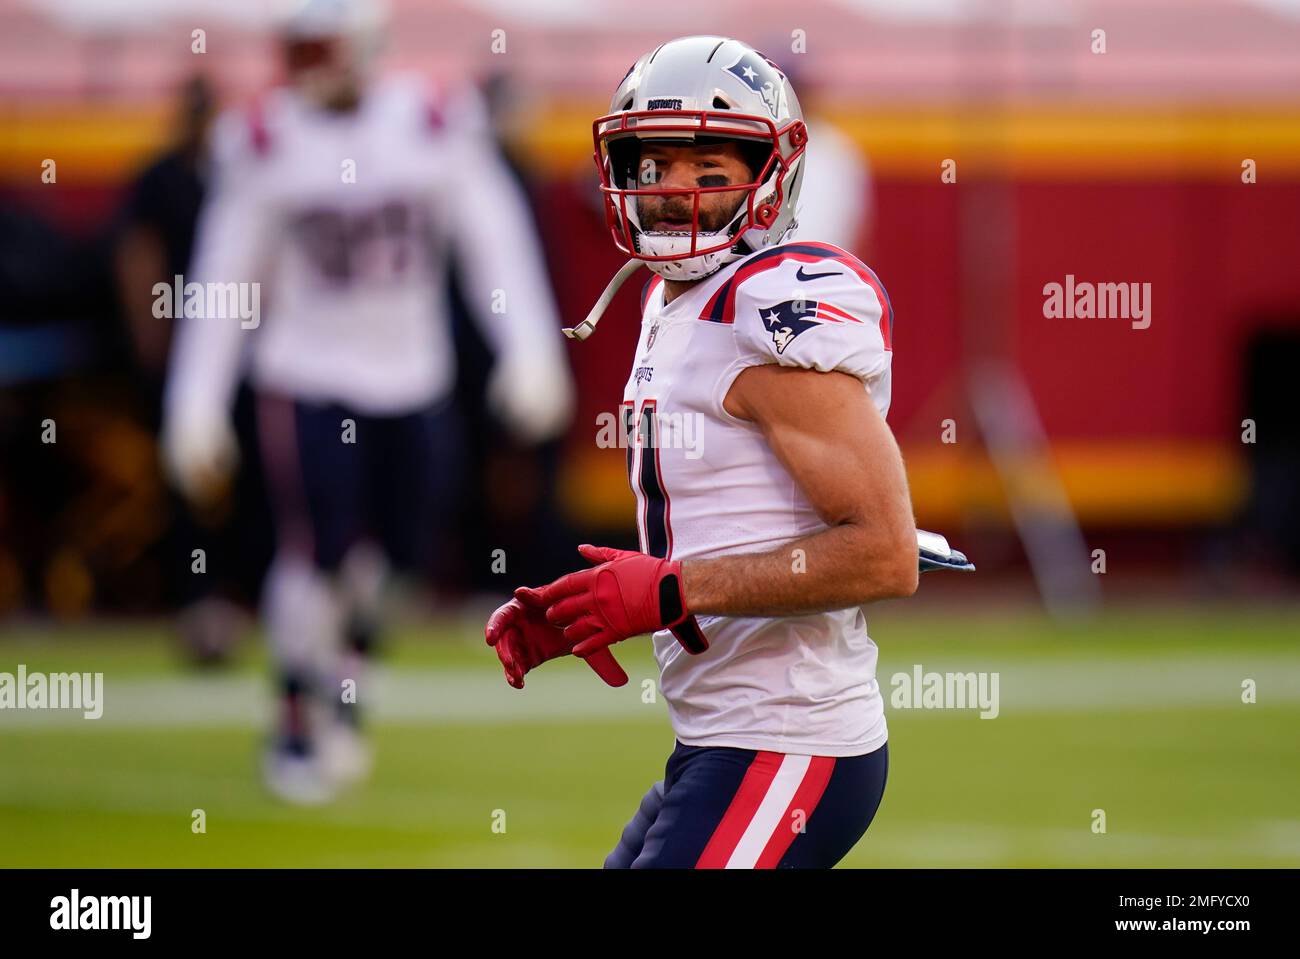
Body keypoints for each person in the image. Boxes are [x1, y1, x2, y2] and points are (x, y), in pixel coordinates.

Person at [486, 36, 918, 868]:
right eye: (656, 166)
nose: (675, 191)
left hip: (793, 739)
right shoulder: (672, 297)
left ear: (771, 175)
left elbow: (887, 553)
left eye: (709, 170)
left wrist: (674, 591)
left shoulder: (767, 310)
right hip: (717, 738)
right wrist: (587, 607)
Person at [163, 0, 574, 803]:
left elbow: (492, 237)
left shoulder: (428, 118)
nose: (308, 66)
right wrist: (196, 400)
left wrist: (530, 350)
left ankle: (341, 680)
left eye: (322, 46)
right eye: (299, 48)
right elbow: (224, 275)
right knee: (318, 552)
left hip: (413, 376)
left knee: (396, 566)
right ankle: (295, 705)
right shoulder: (263, 139)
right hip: (306, 374)